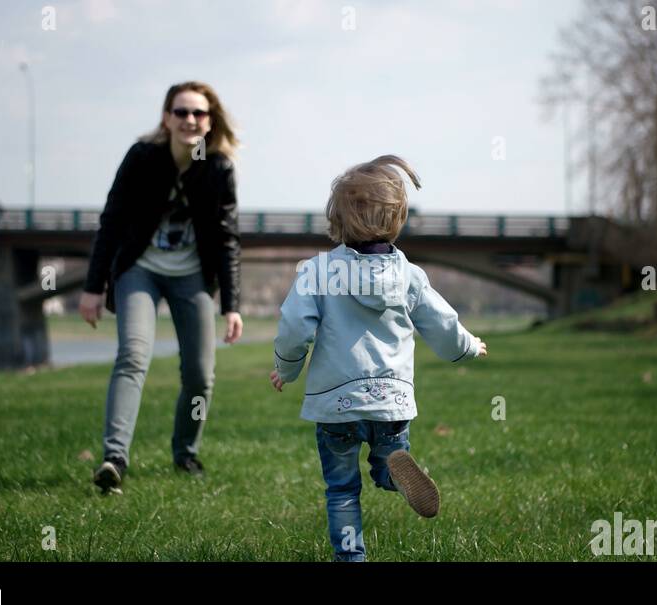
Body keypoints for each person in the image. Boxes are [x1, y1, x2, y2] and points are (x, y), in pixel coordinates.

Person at [270, 155, 487, 560]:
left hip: (336, 405)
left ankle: (352, 556)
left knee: (342, 490)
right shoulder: (409, 276)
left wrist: (287, 368)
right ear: (397, 217)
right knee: (386, 459)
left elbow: (294, 328)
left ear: (337, 218)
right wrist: (468, 346)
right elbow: (441, 323)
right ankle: (392, 473)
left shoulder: (318, 272)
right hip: (392, 402)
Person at [80, 81, 243, 494]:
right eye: (181, 112)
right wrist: (93, 285)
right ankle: (114, 459)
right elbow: (112, 219)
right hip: (140, 269)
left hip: (192, 276)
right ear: (167, 118)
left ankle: (185, 452)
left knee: (200, 375)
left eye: (198, 113)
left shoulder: (218, 167)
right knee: (133, 355)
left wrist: (233, 304)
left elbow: (227, 237)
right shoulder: (143, 156)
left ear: (209, 121)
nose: (190, 120)